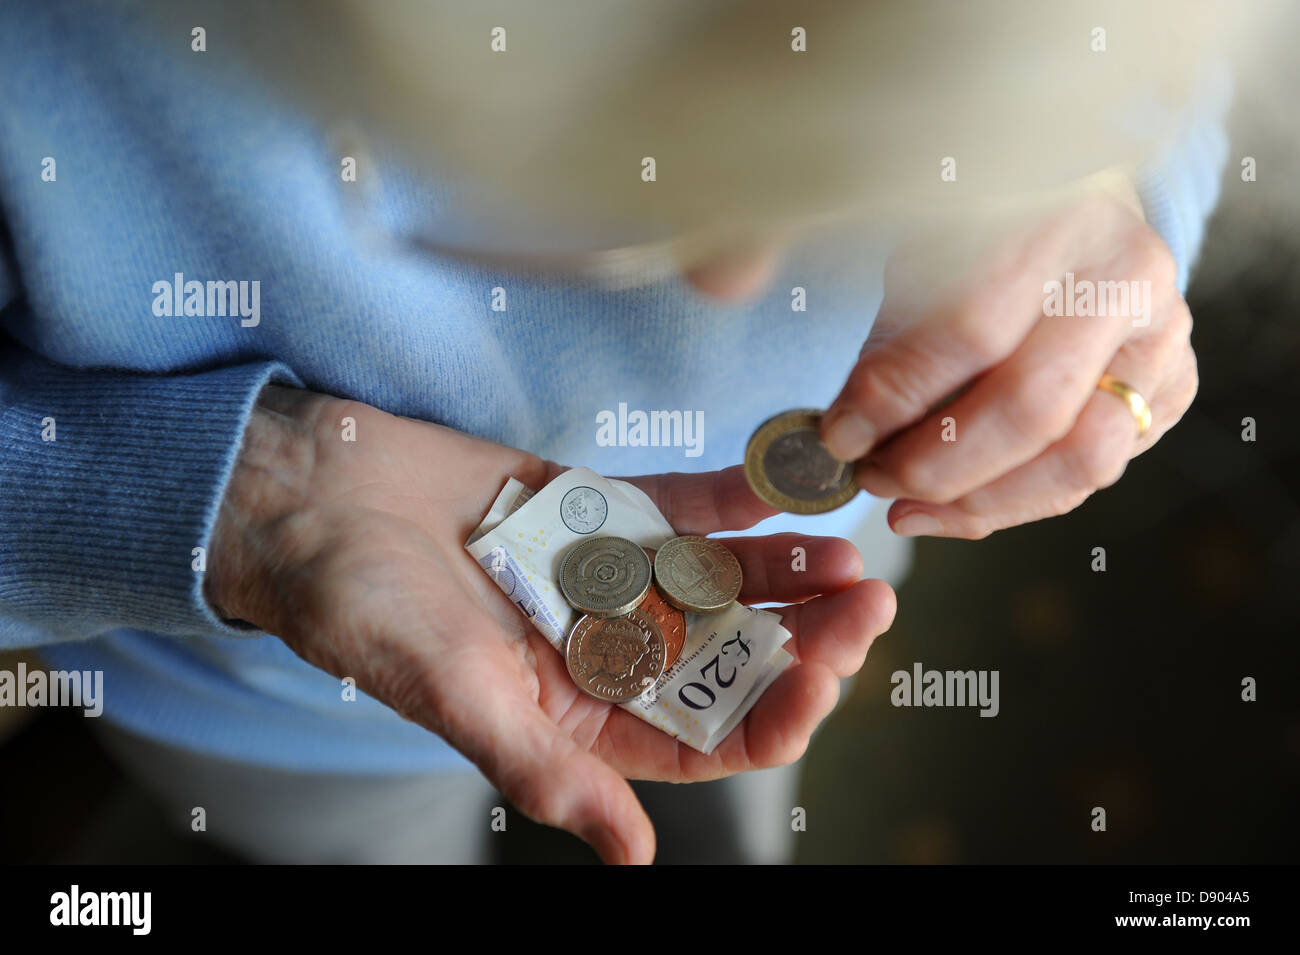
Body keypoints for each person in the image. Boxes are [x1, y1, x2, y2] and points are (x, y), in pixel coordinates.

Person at [0, 1, 1229, 864]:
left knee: (739, 780)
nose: (744, 271)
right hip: (269, 706)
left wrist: (1097, 187)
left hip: (803, 548)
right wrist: (239, 505)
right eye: (605, 203)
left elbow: (1175, 49)